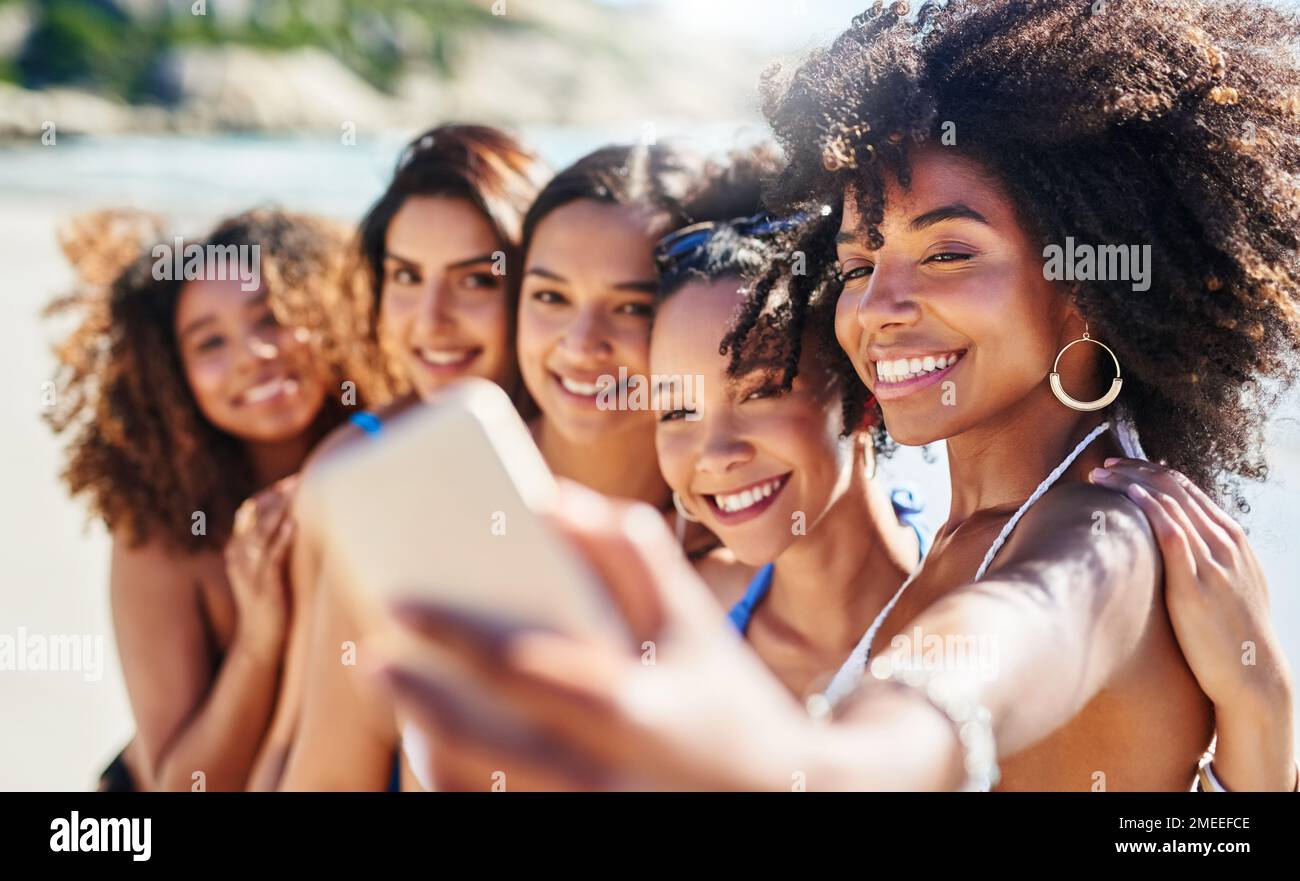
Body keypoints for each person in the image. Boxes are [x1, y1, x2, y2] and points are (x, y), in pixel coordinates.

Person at [382, 0, 1300, 790]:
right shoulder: (991, 517)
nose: (881, 308)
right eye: (861, 261)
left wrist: (802, 761)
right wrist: (1261, 749)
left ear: (1085, 281)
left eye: (947, 253)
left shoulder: (1106, 532)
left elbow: (965, 680)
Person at [46, 208, 382, 791]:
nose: (252, 355)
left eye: (271, 319)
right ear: (173, 377)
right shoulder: (162, 534)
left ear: (324, 315)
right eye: (211, 344)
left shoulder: (382, 450)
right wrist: (258, 640)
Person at [270, 124, 548, 791]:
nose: (431, 318)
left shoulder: (608, 451)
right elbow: (297, 733)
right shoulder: (357, 464)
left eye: (476, 280)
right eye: (406, 276)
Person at [651, 211, 924, 698]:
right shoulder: (682, 618)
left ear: (863, 395)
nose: (714, 454)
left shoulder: (979, 613)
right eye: (676, 411)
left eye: (760, 393)